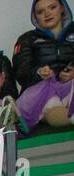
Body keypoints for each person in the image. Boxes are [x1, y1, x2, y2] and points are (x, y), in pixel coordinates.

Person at [14, 0, 74, 131]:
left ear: (62, 8)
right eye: (40, 12)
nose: (47, 14)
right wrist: (39, 72)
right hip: (40, 93)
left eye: (52, 7)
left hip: (70, 88)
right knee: (52, 107)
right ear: (35, 17)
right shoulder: (26, 39)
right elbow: (20, 73)